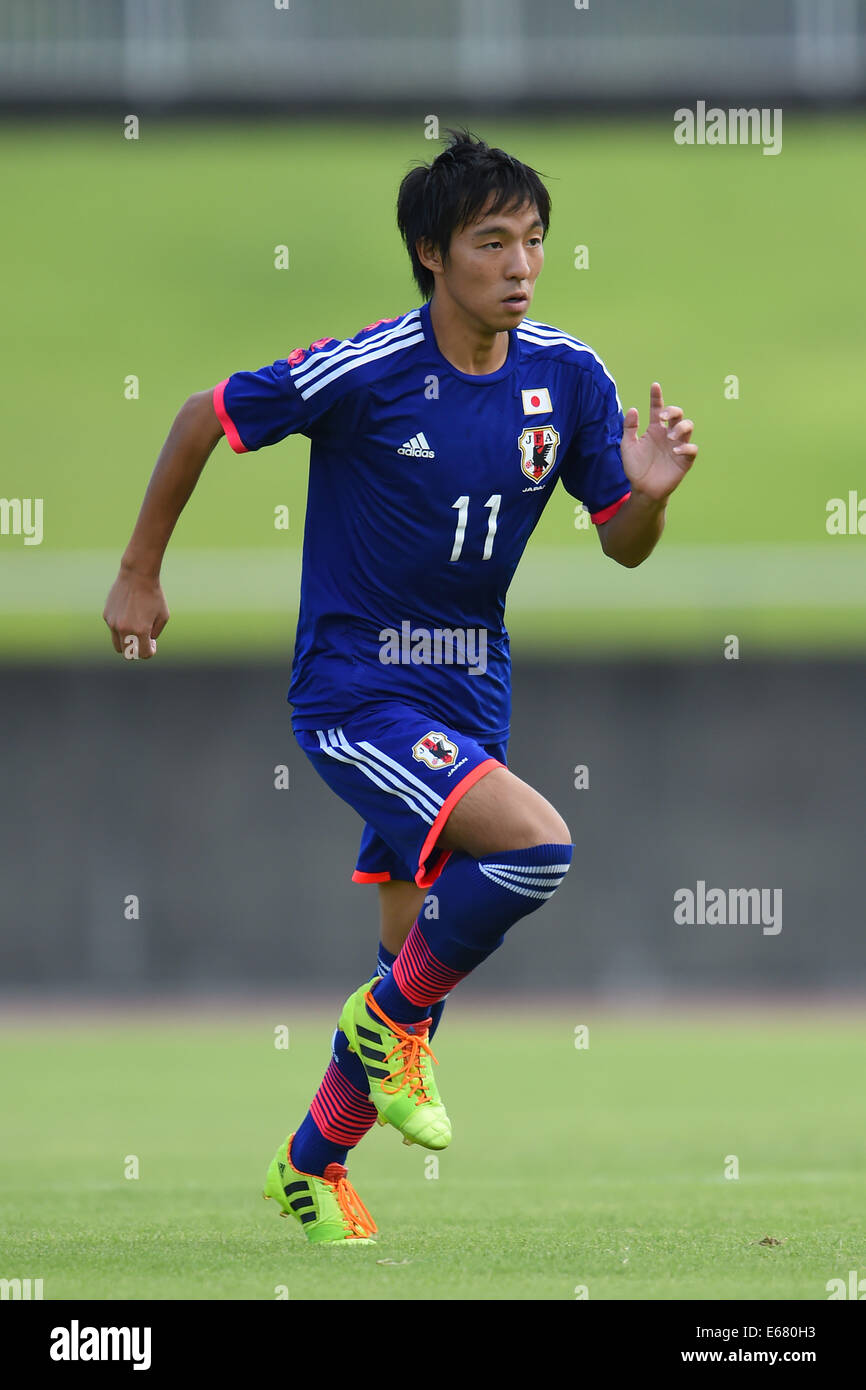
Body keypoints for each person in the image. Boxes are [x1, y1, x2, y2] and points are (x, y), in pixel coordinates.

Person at [103, 129, 698, 1246]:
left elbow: (621, 541)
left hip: (469, 694)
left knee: (411, 962)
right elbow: (202, 414)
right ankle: (382, 1027)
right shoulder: (366, 369)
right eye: (491, 241)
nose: (519, 263)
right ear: (431, 254)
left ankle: (309, 1165)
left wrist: (650, 495)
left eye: (532, 240)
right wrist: (139, 573)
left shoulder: (566, 376)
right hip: (356, 691)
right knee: (534, 851)